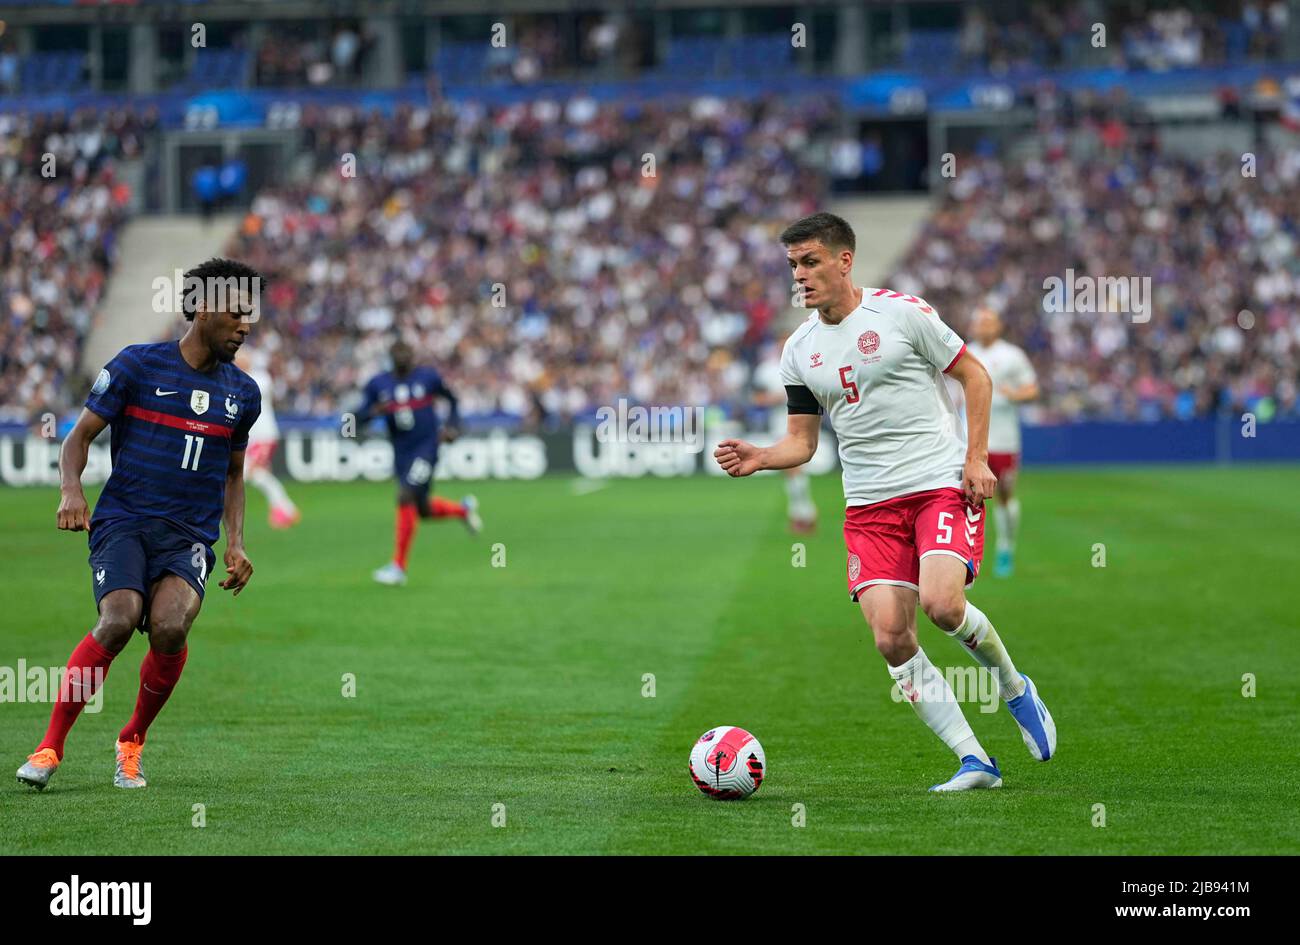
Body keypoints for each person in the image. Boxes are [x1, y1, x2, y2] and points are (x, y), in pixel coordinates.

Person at [714, 213, 1055, 791]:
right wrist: (760, 457)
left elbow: (975, 376)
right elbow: (802, 441)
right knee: (891, 637)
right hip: (869, 505)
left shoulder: (902, 313)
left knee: (943, 605)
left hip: (937, 482)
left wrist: (975, 459)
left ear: (844, 261)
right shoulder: (798, 350)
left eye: (811, 261)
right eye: (794, 265)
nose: (800, 275)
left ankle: (1016, 688)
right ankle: (975, 761)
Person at [17, 258, 263, 791]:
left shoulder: (243, 395)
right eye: (238, 312)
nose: (246, 324)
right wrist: (71, 489)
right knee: (120, 618)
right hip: (124, 521)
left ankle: (131, 742)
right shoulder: (136, 366)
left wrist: (236, 543)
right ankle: (50, 746)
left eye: (251, 314)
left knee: (172, 626)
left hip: (188, 536)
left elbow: (234, 474)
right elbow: (78, 437)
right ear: (201, 309)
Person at [358, 341, 481, 587]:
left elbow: (453, 400)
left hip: (428, 447)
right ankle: (463, 510)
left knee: (405, 496)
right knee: (422, 509)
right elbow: (354, 420)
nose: (403, 357)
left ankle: (398, 568)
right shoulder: (377, 384)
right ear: (391, 357)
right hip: (401, 454)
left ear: (413, 355)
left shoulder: (428, 378)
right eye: (398, 353)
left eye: (407, 352)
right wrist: (373, 412)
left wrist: (454, 427)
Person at [967, 307, 1038, 577]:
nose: (983, 326)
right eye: (979, 322)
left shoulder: (1012, 355)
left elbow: (1032, 389)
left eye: (988, 322)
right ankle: (970, 554)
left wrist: (1014, 395)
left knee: (1004, 496)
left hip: (1004, 439)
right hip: (971, 440)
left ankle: (1006, 546)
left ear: (998, 326)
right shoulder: (964, 352)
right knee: (969, 498)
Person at [235, 347, 299, 529]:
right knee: (258, 474)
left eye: (240, 360)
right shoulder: (242, 379)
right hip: (253, 437)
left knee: (250, 473)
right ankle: (283, 510)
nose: (237, 363)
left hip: (263, 435)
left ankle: (286, 509)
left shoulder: (260, 378)